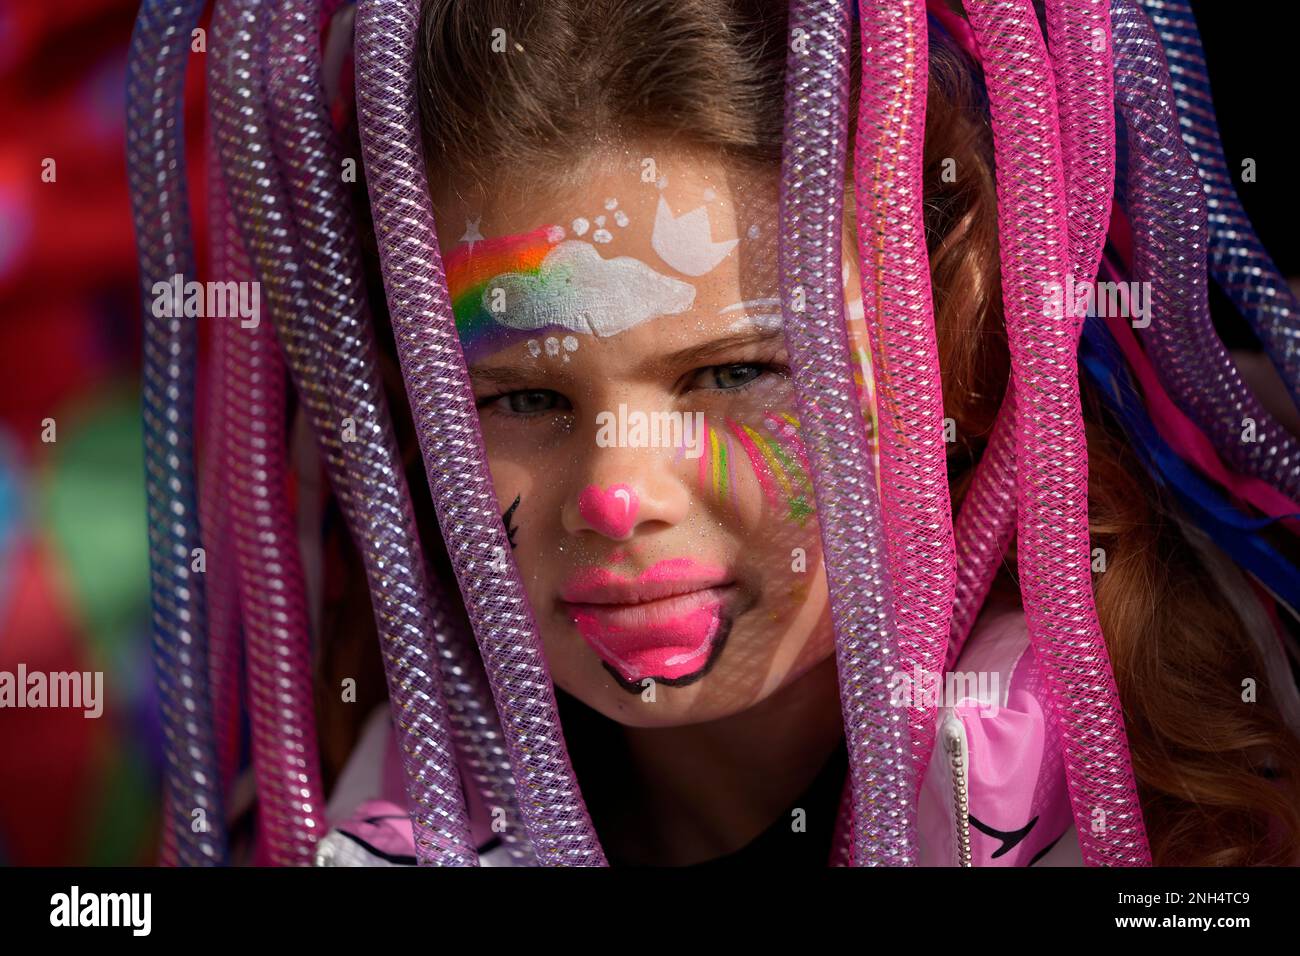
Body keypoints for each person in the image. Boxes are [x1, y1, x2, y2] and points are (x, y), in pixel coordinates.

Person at [308, 0, 1300, 867]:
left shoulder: (1197, 794)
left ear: (957, 341)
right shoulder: (344, 807)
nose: (619, 495)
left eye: (736, 372)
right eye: (522, 397)